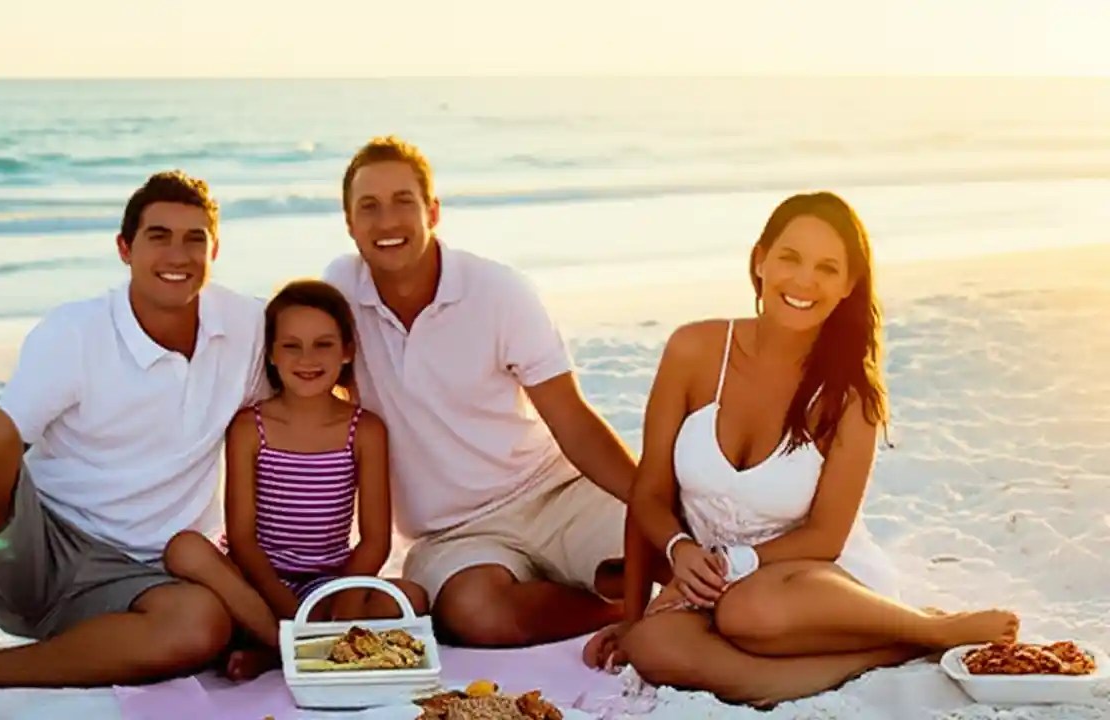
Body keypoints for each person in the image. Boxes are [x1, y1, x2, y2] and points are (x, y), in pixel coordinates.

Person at [0, 171, 265, 720]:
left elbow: (322, 384)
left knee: (201, 625)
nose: (177, 254)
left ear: (216, 249)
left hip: (145, 579)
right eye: (158, 236)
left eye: (194, 238)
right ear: (125, 249)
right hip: (36, 552)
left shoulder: (249, 328)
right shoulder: (75, 332)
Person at [582, 192, 1020, 706]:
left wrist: (733, 565)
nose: (803, 281)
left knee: (748, 612)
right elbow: (649, 494)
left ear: (847, 285)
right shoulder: (693, 351)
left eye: (827, 268)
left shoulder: (852, 396)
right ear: (759, 261)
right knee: (653, 647)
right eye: (789, 257)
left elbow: (826, 538)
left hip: (810, 582)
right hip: (710, 584)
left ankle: (925, 628)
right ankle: (877, 655)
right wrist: (651, 595)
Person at [323, 136, 638, 648]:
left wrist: (656, 509)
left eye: (404, 202)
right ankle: (620, 609)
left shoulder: (498, 291)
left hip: (552, 492)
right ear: (349, 224)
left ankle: (627, 591)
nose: (387, 222)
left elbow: (572, 420)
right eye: (369, 207)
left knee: (656, 557)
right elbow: (303, 396)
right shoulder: (339, 293)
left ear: (433, 211)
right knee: (475, 616)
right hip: (454, 534)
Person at [161, 279, 428, 679]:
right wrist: (283, 604)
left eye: (323, 344)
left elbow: (375, 541)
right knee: (184, 548)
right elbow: (243, 536)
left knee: (413, 596)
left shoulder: (365, 430)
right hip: (255, 582)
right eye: (291, 345)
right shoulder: (250, 427)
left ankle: (275, 648)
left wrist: (344, 598)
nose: (307, 358)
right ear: (270, 353)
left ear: (347, 351)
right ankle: (295, 644)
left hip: (326, 583)